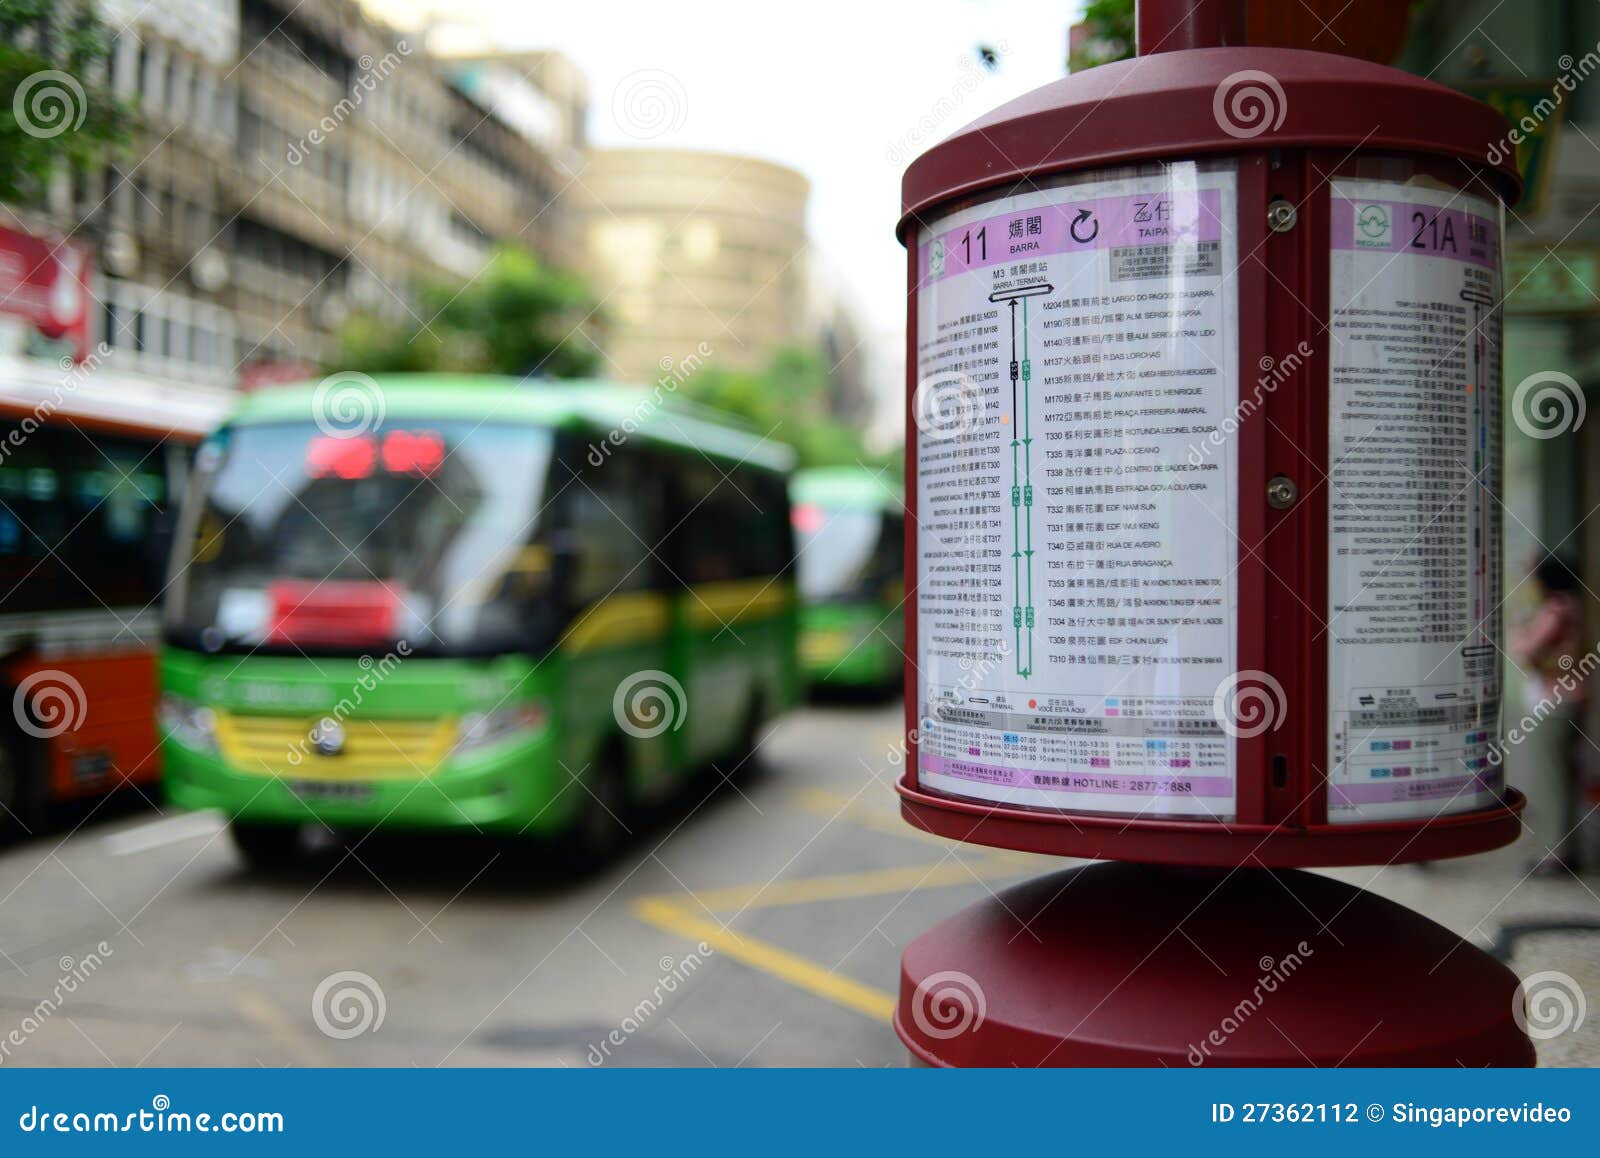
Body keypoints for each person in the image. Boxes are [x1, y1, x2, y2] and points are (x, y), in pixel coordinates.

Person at [1509, 555, 1590, 876]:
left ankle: (1557, 853)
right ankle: (1567, 849)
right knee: (1564, 778)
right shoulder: (1574, 608)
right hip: (1570, 702)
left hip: (1553, 703)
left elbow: (1527, 652)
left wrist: (1518, 628)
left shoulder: (1555, 611)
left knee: (1551, 779)